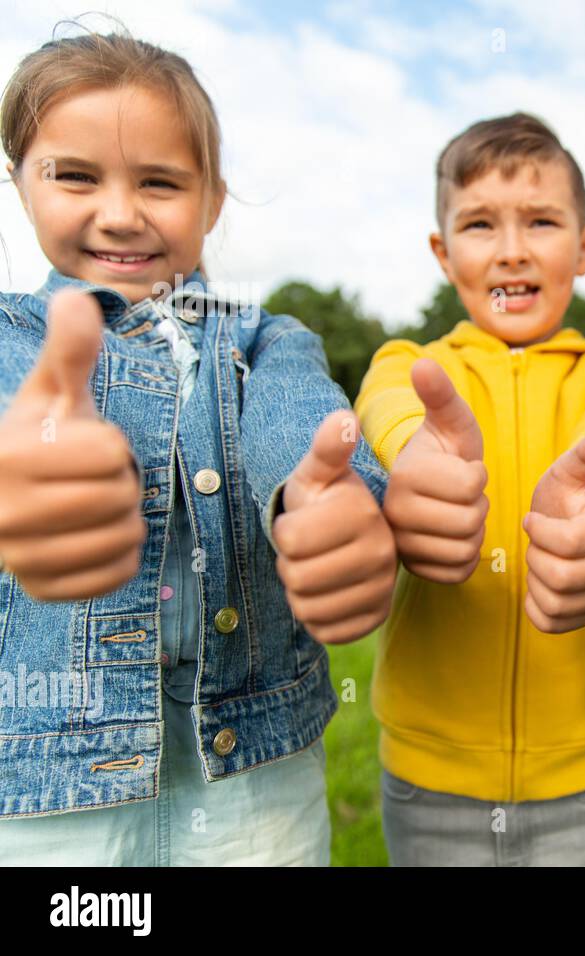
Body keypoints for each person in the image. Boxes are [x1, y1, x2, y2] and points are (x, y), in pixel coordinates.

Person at [0, 31, 396, 864]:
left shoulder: (265, 340)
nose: (118, 212)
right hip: (47, 793)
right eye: (75, 175)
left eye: (159, 182)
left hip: (255, 776)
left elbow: (299, 423)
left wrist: (323, 501)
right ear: (19, 180)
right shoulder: (10, 338)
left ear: (213, 200)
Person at [355, 113, 585, 866]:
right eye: (480, 225)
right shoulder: (409, 363)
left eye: (542, 222)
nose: (512, 250)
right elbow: (388, 407)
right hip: (430, 776)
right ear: (445, 254)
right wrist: (413, 454)